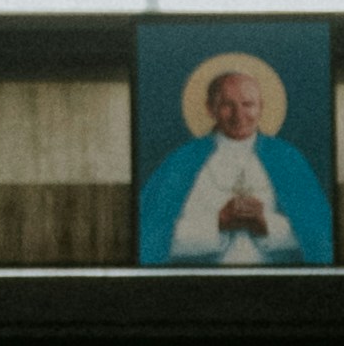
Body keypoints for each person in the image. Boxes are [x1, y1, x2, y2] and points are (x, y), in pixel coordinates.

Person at [141, 53, 331, 268]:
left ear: (261, 107)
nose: (238, 115)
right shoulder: (182, 162)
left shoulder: (287, 159)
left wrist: (265, 225)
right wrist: (218, 224)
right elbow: (152, 237)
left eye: (248, 104)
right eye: (227, 105)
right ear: (210, 108)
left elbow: (319, 236)